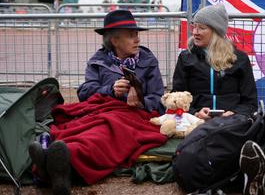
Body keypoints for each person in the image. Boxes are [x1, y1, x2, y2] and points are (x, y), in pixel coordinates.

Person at [28, 10, 166, 195]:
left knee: (102, 133)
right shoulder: (97, 61)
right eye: (131, 35)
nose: (137, 39)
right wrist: (110, 90)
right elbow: (85, 93)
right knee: (81, 129)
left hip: (133, 115)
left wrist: (140, 102)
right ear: (115, 41)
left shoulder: (148, 61)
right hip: (100, 110)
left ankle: (59, 163)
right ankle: (56, 164)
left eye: (137, 34)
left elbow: (158, 98)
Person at [172, 4, 265, 195]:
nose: (195, 32)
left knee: (242, 126)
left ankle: (255, 167)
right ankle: (257, 168)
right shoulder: (186, 58)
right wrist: (195, 112)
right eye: (194, 26)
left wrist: (235, 113)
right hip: (198, 121)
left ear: (216, 31)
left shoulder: (239, 59)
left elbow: (249, 102)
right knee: (218, 140)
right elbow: (178, 96)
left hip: (233, 121)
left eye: (202, 27)